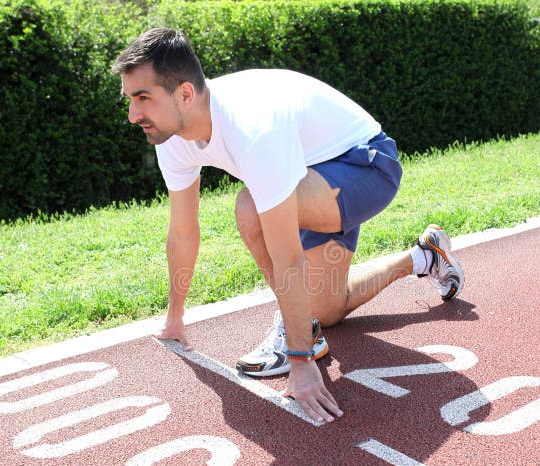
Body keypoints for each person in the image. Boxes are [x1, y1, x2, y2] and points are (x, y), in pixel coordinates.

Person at [112, 28, 464, 424]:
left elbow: (288, 256)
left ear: (186, 94)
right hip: (311, 177)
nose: (133, 115)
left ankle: (297, 335)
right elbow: (182, 232)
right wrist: (175, 317)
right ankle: (423, 256)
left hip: (365, 166)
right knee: (325, 308)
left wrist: (300, 359)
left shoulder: (252, 129)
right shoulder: (172, 136)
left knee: (251, 208)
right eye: (129, 99)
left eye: (143, 98)